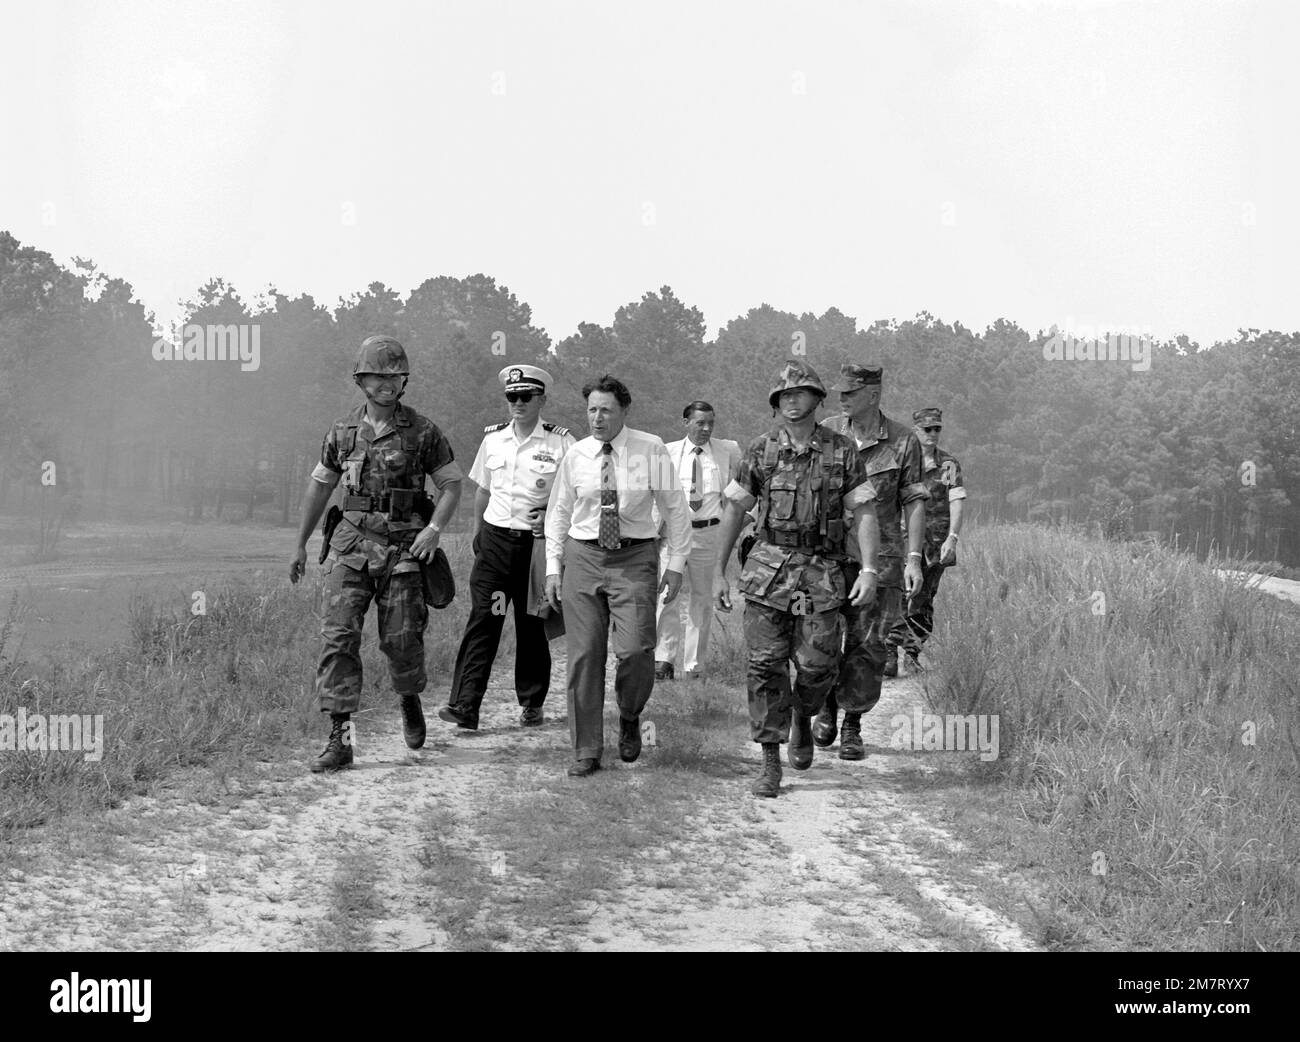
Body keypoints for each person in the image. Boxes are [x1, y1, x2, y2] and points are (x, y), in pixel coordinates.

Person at [289, 335, 463, 772]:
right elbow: (320, 486)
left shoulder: (423, 432)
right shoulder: (342, 432)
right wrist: (300, 544)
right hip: (349, 548)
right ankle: (340, 738)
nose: (387, 383)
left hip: (403, 550)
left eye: (395, 375)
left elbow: (451, 485)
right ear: (360, 380)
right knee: (339, 640)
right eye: (378, 375)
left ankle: (408, 695)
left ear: (404, 380)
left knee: (401, 640)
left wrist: (434, 530)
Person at [712, 360, 879, 798]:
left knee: (816, 666)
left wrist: (869, 569)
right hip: (768, 571)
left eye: (799, 393)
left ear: (816, 400)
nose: (790, 400)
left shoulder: (842, 451)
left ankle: (804, 715)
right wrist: (717, 573)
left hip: (821, 574)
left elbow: (864, 512)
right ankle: (769, 760)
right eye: (783, 395)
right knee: (764, 665)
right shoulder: (761, 450)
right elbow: (734, 510)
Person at [543, 375, 691, 777]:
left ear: (624, 411)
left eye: (606, 409)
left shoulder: (650, 449)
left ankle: (629, 714)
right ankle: (587, 749)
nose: (597, 417)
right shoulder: (576, 455)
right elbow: (558, 513)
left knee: (637, 651)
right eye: (591, 409)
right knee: (585, 656)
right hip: (584, 556)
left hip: (634, 558)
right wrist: (554, 569)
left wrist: (675, 564)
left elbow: (675, 509)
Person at [439, 365, 575, 730]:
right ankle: (465, 705)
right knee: (486, 618)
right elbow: (482, 490)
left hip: (536, 547)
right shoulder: (493, 440)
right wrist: (477, 533)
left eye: (525, 397)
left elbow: (575, 495)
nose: (517, 403)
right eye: (511, 397)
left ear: (541, 399)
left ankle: (531, 702)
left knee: (531, 626)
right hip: (496, 544)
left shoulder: (561, 443)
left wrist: (548, 515)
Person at [815, 364, 926, 760]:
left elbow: (914, 502)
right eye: (840, 393)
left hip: (882, 559)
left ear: (873, 395)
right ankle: (825, 702)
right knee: (821, 638)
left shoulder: (903, 440)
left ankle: (852, 725)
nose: (841, 399)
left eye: (850, 392)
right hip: (828, 556)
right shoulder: (826, 431)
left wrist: (914, 560)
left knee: (868, 644)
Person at [653, 401, 741, 681]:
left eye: (710, 423)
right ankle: (663, 659)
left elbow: (739, 493)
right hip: (676, 535)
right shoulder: (667, 452)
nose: (705, 429)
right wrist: (654, 534)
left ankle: (693, 665)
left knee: (702, 600)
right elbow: (658, 497)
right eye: (700, 423)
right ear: (686, 422)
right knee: (667, 595)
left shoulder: (728, 451)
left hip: (709, 534)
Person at [886, 407, 965, 673]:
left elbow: (956, 499)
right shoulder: (902, 461)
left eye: (937, 429)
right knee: (896, 593)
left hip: (935, 541)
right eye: (927, 429)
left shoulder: (948, 465)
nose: (933, 434)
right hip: (903, 539)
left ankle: (912, 652)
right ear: (916, 430)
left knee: (924, 597)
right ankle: (888, 652)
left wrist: (952, 538)